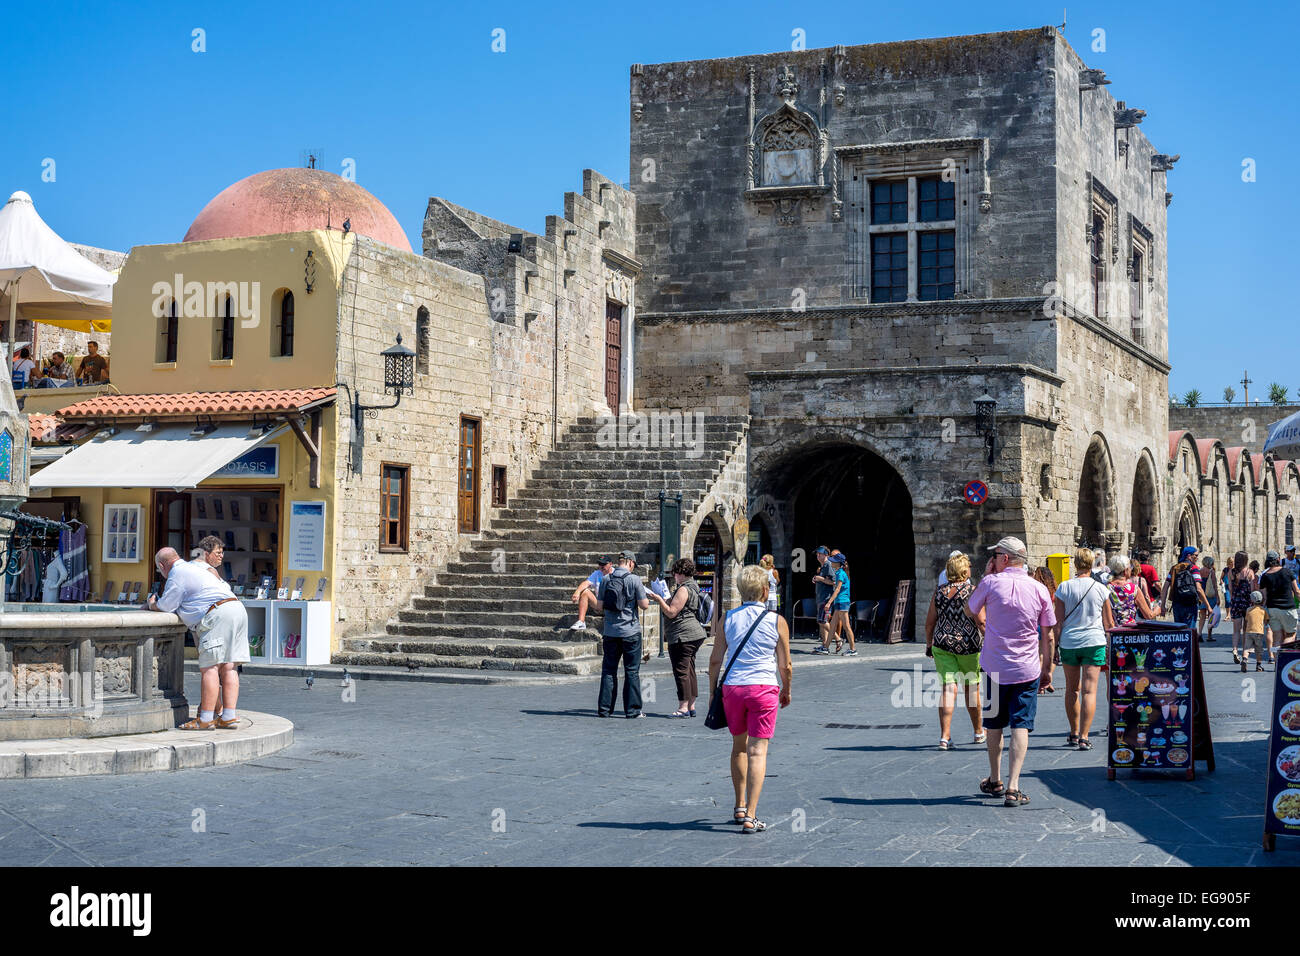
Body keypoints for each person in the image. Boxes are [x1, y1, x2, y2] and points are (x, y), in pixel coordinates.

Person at [966, 536, 1055, 807]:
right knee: (1021, 725)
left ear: (1004, 558)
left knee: (993, 724)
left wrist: (986, 577)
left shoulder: (990, 583)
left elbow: (970, 610)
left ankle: (995, 779)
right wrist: (1047, 668)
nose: (992, 560)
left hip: (994, 667)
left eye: (995, 556)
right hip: (1027, 669)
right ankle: (1014, 787)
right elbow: (1048, 633)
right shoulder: (1039, 589)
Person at [707, 564, 792, 834]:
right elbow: (785, 664)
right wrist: (786, 689)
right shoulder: (776, 621)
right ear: (766, 591)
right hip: (763, 687)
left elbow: (715, 660)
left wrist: (712, 692)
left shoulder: (727, 618)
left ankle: (739, 804)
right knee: (758, 751)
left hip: (733, 688)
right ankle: (751, 816)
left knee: (738, 747)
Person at [147, 547, 248, 730]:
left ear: (162, 566)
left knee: (210, 668)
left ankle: (206, 718)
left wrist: (152, 605)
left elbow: (166, 606)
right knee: (229, 666)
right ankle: (229, 716)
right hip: (236, 608)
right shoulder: (196, 567)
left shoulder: (177, 574)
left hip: (217, 613)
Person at [1054, 548, 1115, 751]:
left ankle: (1073, 732)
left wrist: (1054, 646)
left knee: (1072, 689)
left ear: (1075, 564)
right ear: (1091, 564)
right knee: (1090, 691)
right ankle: (1084, 736)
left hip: (1070, 642)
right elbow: (1109, 623)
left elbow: (1058, 621)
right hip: (1094, 641)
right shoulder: (1101, 589)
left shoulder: (1064, 588)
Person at [924, 552, 985, 750]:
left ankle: (944, 737)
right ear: (964, 571)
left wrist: (928, 644)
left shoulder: (939, 592)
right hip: (968, 646)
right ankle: (978, 732)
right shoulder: (972, 591)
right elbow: (981, 621)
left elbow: (929, 622)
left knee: (948, 689)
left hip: (942, 644)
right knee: (971, 690)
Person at [648, 557, 708, 717]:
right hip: (694, 633)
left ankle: (683, 707)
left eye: (675, 573)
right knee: (690, 670)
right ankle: (691, 705)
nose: (674, 576)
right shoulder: (693, 586)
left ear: (681, 573)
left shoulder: (683, 589)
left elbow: (671, 612)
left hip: (683, 634)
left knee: (681, 671)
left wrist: (659, 599)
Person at [594, 550, 650, 718]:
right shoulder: (634, 580)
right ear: (630, 563)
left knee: (609, 670)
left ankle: (604, 709)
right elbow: (644, 605)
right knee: (631, 671)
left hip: (611, 632)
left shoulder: (605, 579)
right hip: (630, 632)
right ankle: (632, 710)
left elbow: (599, 606)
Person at [1257, 549, 1300, 657]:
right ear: (1278, 559)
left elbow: (1263, 596)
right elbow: (1297, 591)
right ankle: (1283, 658)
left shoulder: (1265, 575)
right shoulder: (1287, 572)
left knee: (1277, 636)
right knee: (1291, 634)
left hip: (1272, 609)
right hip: (1288, 608)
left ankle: (1277, 663)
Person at [1160, 546, 1210, 633]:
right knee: (1189, 632)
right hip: (1191, 604)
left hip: (1177, 604)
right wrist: (1208, 606)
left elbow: (1165, 588)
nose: (1197, 558)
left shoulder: (1174, 568)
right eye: (1196, 555)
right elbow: (1199, 588)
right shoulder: (1194, 568)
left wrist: (1163, 605)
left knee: (1179, 633)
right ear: (1189, 556)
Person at [1108, 554, 1157, 626]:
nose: (1131, 569)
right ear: (1125, 570)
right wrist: (1158, 610)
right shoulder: (1134, 589)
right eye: (1130, 567)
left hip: (1112, 632)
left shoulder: (1105, 588)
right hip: (1129, 632)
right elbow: (1148, 615)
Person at [824, 552, 856, 655]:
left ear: (838, 563)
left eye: (834, 561)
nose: (832, 563)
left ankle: (852, 649)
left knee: (846, 626)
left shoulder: (841, 573)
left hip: (842, 602)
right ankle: (825, 648)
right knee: (832, 626)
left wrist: (829, 602)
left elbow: (837, 589)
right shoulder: (839, 572)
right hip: (839, 602)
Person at [570, 557, 613, 630]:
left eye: (604, 564)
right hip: (600, 605)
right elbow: (586, 583)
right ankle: (581, 622)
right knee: (585, 592)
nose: (602, 566)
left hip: (613, 606)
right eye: (600, 564)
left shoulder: (617, 573)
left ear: (611, 564)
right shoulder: (597, 573)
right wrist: (577, 592)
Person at [1032, 565, 1060, 675]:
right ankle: (1046, 677)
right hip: (1048, 625)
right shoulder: (1053, 592)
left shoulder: (1035, 589)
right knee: (1047, 654)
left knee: (1039, 655)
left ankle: (1039, 681)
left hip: (1036, 624)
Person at [811, 546, 834, 654]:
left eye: (820, 554)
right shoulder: (822, 566)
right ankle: (825, 645)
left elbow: (833, 581)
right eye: (817, 554)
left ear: (826, 554)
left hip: (826, 597)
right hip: (820, 597)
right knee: (821, 622)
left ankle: (838, 639)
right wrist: (817, 579)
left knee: (822, 621)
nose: (818, 556)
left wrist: (821, 579)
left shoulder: (828, 565)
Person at [1243, 590, 1267, 672]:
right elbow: (1266, 621)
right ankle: (1258, 666)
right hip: (1259, 632)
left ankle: (1244, 660)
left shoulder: (1248, 609)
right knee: (1258, 650)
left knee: (1247, 648)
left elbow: (1246, 620)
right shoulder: (1263, 610)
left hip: (1249, 632)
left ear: (1251, 600)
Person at [1198, 555, 1220, 641]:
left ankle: (1199, 634)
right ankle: (1209, 636)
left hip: (1202, 596)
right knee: (1211, 615)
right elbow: (1214, 586)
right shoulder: (1211, 572)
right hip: (1210, 596)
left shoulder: (1200, 571)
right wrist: (1218, 597)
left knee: (1202, 616)